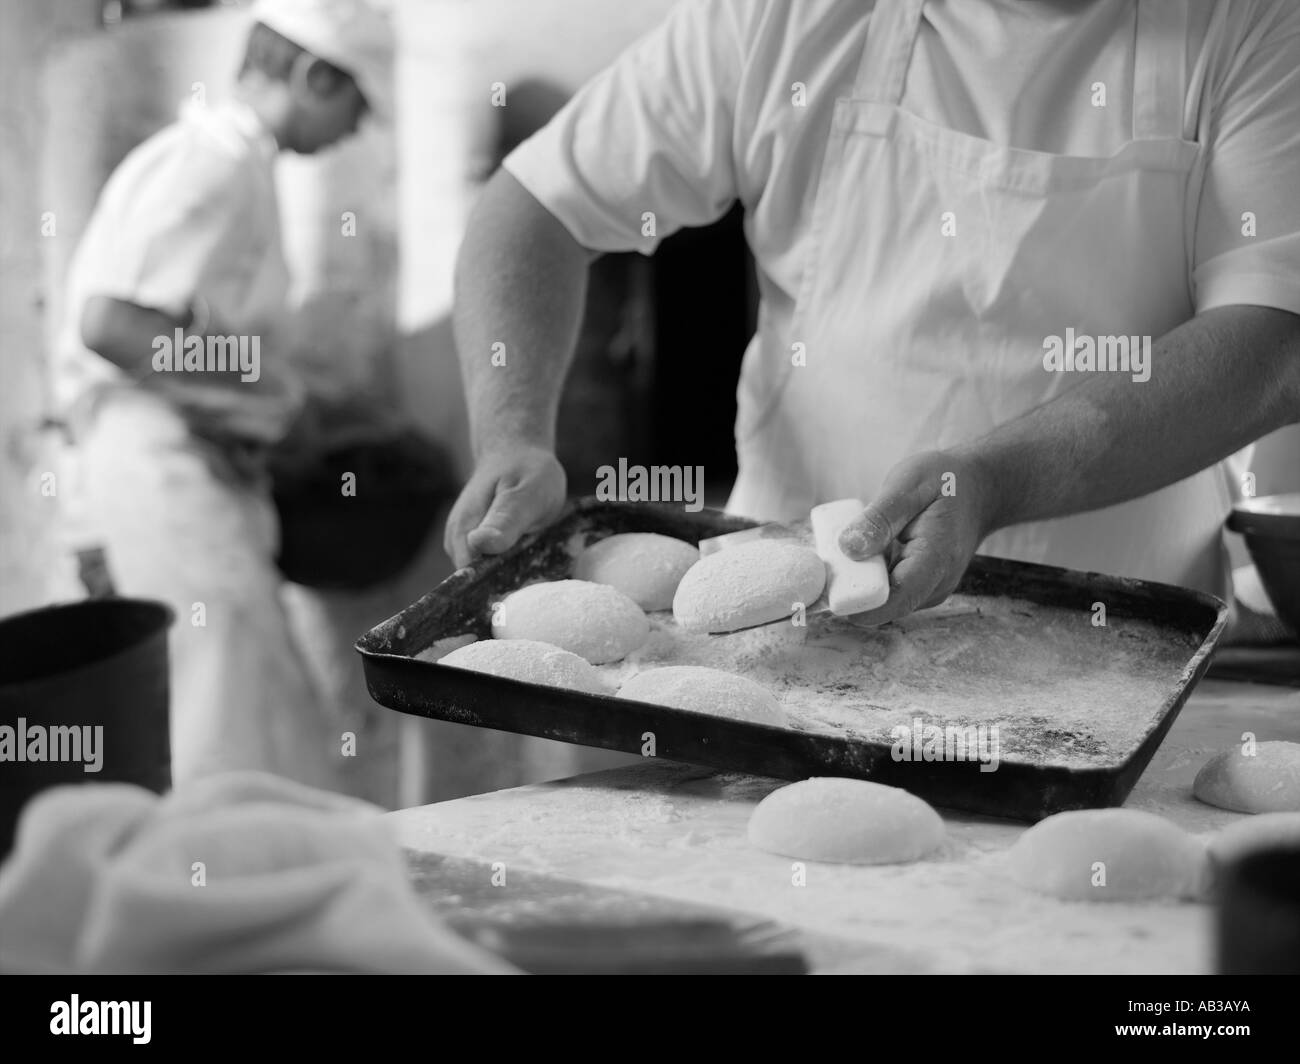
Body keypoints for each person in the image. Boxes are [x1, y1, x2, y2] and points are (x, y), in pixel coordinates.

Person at [446, 0, 1300, 624]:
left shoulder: (1253, 25)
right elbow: (534, 210)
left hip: (1116, 633)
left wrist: (991, 479)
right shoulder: (785, 19)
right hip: (782, 627)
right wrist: (512, 432)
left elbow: (1272, 345)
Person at [54, 0, 393, 788]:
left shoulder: (229, 162)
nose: (355, 129)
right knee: (226, 723)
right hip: (160, 471)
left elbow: (165, 329)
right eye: (355, 103)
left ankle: (249, 894)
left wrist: (268, 402)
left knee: (245, 712)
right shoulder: (214, 163)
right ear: (313, 75)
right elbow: (111, 323)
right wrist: (270, 394)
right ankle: (228, 900)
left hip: (182, 468)